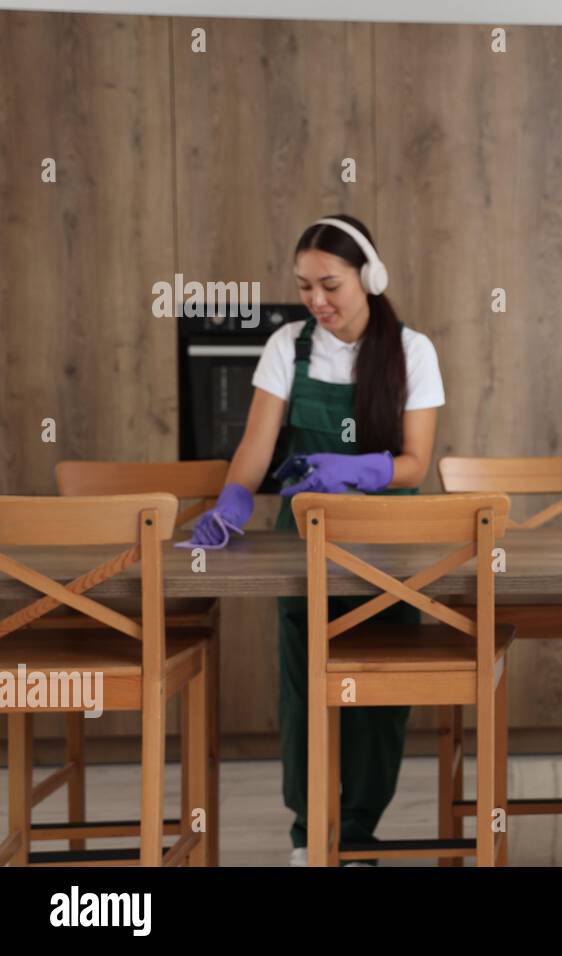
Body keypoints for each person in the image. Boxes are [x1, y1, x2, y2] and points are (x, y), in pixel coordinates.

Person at [188, 214, 446, 865]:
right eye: (305, 287)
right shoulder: (287, 347)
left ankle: (356, 833)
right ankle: (309, 835)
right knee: (305, 693)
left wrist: (360, 468)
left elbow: (416, 462)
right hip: (305, 549)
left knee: (378, 701)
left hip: (391, 550)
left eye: (329, 284)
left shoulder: (411, 351)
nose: (316, 300)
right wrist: (233, 502)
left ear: (370, 277)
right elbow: (257, 443)